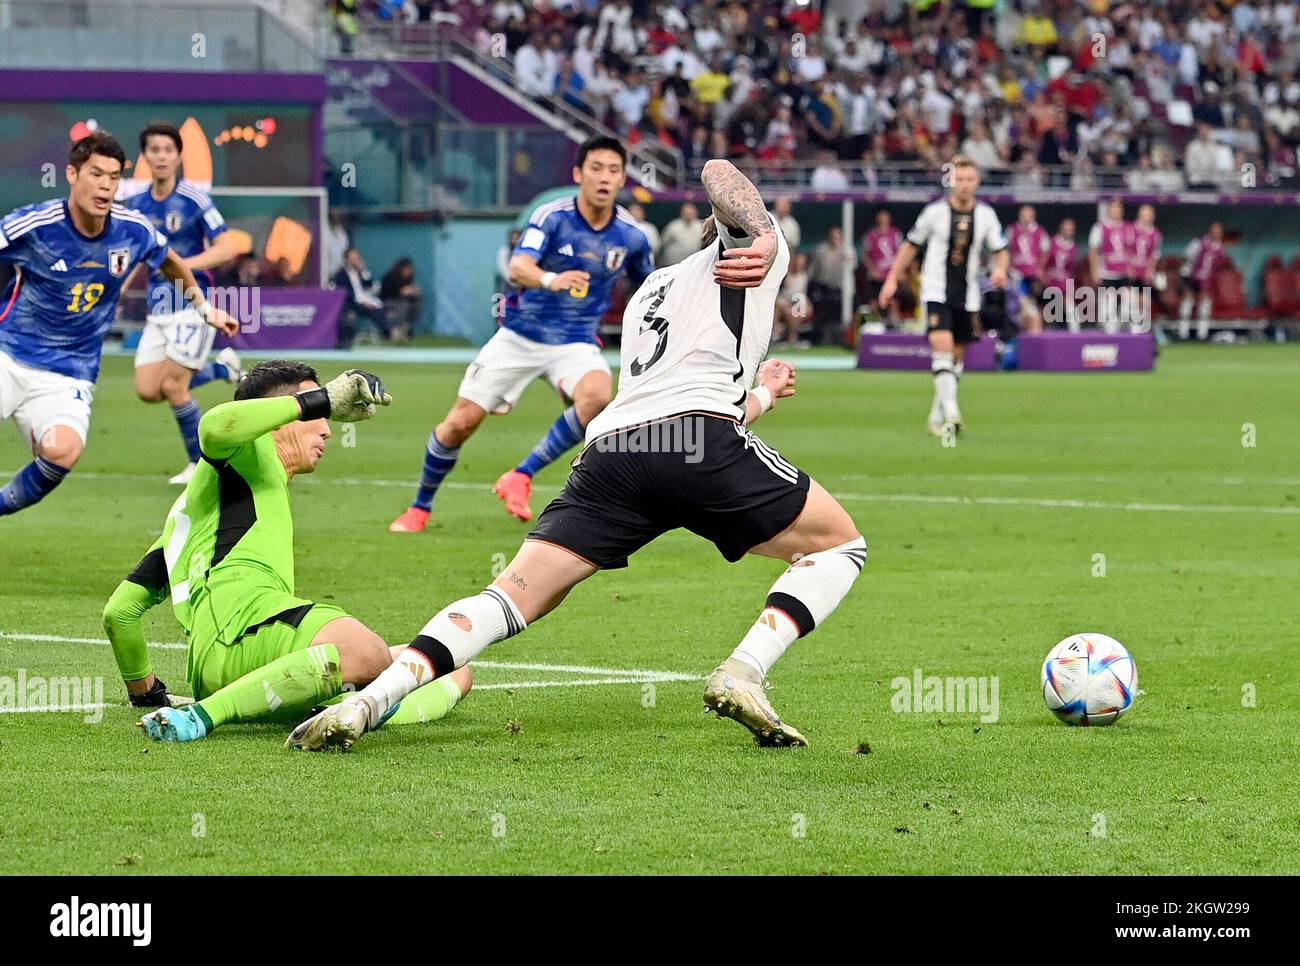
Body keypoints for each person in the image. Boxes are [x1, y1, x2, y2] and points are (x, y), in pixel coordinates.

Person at [289, 159, 867, 753]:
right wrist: (766, 233)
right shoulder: (754, 252)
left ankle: (367, 702)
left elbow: (684, 399)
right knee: (841, 545)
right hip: (696, 439)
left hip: (617, 448)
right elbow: (720, 169)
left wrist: (762, 393)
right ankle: (744, 670)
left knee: (509, 595)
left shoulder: (652, 290)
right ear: (733, 228)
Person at [107, 360, 473, 742]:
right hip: (241, 627)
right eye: (318, 414)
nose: (328, 429)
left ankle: (335, 713)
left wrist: (145, 693)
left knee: (446, 666)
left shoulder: (200, 515)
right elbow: (214, 425)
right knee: (365, 651)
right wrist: (321, 398)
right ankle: (200, 718)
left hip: (238, 658)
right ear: (277, 417)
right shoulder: (250, 450)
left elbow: (120, 613)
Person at [388, 136, 654, 532]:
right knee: (460, 423)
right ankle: (419, 508)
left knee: (599, 397)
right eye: (596, 168)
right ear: (579, 174)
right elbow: (518, 267)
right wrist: (551, 279)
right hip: (520, 335)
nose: (604, 178)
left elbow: (649, 288)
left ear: (622, 181)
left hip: (576, 341)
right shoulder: (552, 217)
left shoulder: (632, 237)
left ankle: (521, 475)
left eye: (614, 171)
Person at [0, 131, 237, 517]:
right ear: (72, 175)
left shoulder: (133, 228)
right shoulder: (35, 224)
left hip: (70, 372)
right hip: (9, 356)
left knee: (64, 451)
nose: (105, 185)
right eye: (96, 174)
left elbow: (170, 261)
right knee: (152, 386)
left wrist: (204, 308)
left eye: (113, 176)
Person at [126, 123, 244, 485]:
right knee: (148, 390)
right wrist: (114, 291)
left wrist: (181, 266)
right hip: (157, 310)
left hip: (194, 307)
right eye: (154, 150)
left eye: (167, 150)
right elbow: (131, 255)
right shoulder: (136, 204)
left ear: (178, 156)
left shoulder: (195, 200)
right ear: (145, 157)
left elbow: (228, 246)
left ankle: (199, 465)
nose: (161, 156)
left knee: (175, 388)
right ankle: (222, 370)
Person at [878, 156, 1009, 438]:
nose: (964, 185)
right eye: (959, 180)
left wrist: (1000, 269)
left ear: (977, 182)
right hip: (935, 290)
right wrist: (891, 279)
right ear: (951, 182)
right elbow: (910, 246)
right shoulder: (934, 213)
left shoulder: (986, 215)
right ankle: (952, 411)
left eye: (969, 180)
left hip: (968, 295)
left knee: (957, 359)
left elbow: (1000, 248)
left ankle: (936, 416)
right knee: (943, 347)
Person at [1088, 198, 1134, 333]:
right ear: (1109, 210)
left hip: (1123, 273)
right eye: (1113, 208)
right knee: (1109, 305)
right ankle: (1109, 335)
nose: (1116, 211)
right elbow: (1093, 251)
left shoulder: (1127, 227)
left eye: (1118, 208)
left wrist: (1130, 266)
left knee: (1129, 303)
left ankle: (1129, 333)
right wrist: (1094, 272)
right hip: (1106, 273)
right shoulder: (1099, 227)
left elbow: (1130, 249)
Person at [333, 246, 396, 344]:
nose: (355, 262)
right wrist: (362, 303)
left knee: (383, 307)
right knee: (372, 309)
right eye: (352, 259)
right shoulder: (341, 274)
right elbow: (345, 293)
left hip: (366, 299)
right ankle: (389, 332)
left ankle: (391, 330)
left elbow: (370, 286)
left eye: (357, 259)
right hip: (353, 303)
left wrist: (363, 271)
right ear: (346, 260)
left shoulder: (361, 273)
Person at [1179, 222, 1226, 341]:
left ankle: (1202, 335)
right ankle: (1182, 334)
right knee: (1187, 303)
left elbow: (1216, 265)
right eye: (1215, 231)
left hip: (1205, 279)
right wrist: (1188, 272)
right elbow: (1185, 256)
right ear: (1210, 231)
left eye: (1219, 231)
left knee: (1205, 305)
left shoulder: (1220, 248)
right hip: (1191, 276)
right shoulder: (1198, 243)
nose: (1217, 233)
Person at [1007, 205, 1049, 335]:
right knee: (1018, 305)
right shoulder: (1012, 230)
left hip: (1032, 276)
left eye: (1028, 215)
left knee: (1034, 305)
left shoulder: (1040, 232)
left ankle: (1035, 333)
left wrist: (1040, 269)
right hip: (1016, 275)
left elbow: (1045, 251)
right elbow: (1005, 249)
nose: (1026, 218)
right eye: (1023, 215)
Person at [379, 256, 421, 342]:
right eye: (408, 268)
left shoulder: (408, 278)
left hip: (402, 301)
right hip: (388, 301)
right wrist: (402, 291)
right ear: (401, 268)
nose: (410, 270)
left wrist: (413, 291)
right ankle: (395, 329)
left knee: (416, 303)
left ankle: (407, 327)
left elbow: (409, 291)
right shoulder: (390, 277)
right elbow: (387, 293)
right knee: (403, 305)